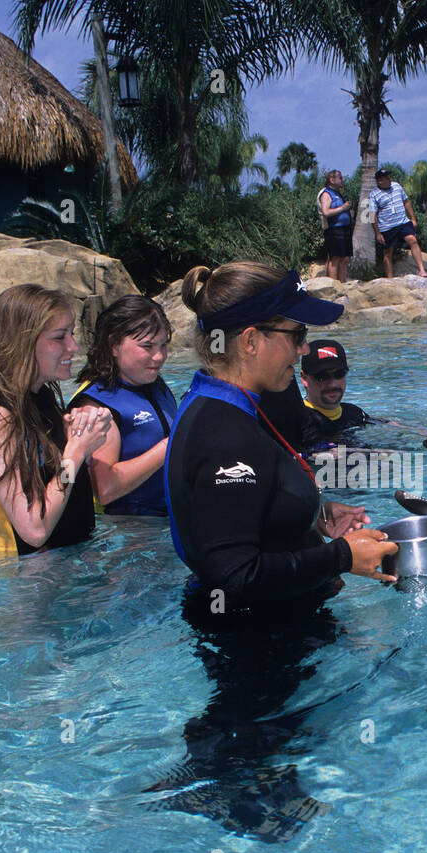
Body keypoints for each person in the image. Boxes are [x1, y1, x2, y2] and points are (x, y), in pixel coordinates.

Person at [165, 261, 398, 612]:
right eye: (297, 335)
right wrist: (341, 557)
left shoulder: (211, 400)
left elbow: (229, 514)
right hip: (258, 647)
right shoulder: (226, 434)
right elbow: (232, 577)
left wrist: (303, 514)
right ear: (251, 341)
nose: (303, 350)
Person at [0, 283, 110, 555]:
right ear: (21, 343)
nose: (74, 347)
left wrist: (80, 427)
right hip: (27, 583)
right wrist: (76, 451)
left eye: (71, 334)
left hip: (67, 567)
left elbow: (51, 470)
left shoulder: (36, 395)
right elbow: (34, 528)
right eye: (59, 337)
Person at [70, 296, 177, 517]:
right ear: (114, 345)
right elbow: (106, 489)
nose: (159, 357)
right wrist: (169, 446)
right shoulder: (97, 406)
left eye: (163, 345)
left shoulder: (155, 386)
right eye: (147, 346)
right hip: (128, 532)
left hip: (166, 519)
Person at [299, 339, 374, 451]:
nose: (332, 383)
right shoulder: (299, 421)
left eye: (339, 374)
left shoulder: (354, 412)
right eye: (322, 376)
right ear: (304, 379)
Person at [368, 168, 427, 279]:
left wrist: (413, 218)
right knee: (388, 252)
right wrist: (377, 233)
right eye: (386, 178)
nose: (389, 179)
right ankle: (390, 278)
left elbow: (406, 201)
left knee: (413, 240)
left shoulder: (396, 186)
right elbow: (372, 216)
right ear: (380, 181)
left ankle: (422, 270)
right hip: (387, 227)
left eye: (389, 176)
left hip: (402, 222)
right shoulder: (373, 195)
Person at [318, 169, 354, 281]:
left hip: (345, 229)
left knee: (345, 259)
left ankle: (342, 284)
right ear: (332, 180)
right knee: (336, 259)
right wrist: (343, 208)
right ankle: (333, 285)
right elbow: (326, 212)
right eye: (340, 177)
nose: (342, 180)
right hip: (334, 230)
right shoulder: (326, 194)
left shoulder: (338, 194)